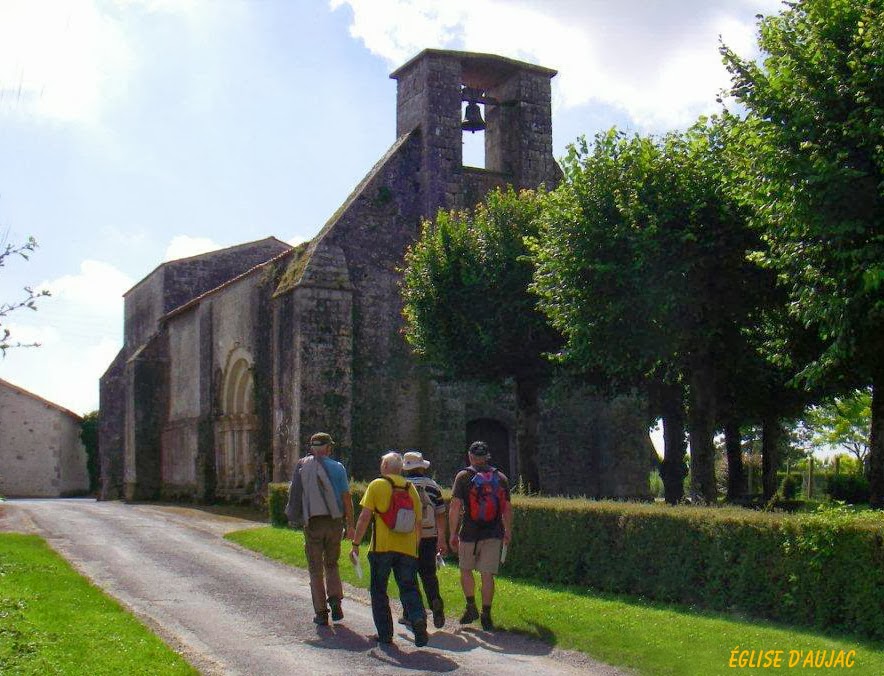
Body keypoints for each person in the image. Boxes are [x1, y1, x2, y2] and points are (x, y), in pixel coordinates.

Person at [351, 451, 429, 647]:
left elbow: (365, 517)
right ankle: (418, 618)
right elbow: (418, 523)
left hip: (382, 547)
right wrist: (416, 548)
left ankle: (385, 634)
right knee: (409, 587)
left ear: (385, 467)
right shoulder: (411, 489)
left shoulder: (377, 485)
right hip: (407, 549)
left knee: (379, 591)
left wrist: (355, 543)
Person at [285, 432, 355, 626]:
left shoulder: (302, 467)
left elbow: (295, 495)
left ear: (312, 448)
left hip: (313, 522)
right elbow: (346, 498)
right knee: (332, 563)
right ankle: (335, 600)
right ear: (328, 448)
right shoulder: (338, 467)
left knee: (315, 568)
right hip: (334, 521)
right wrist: (350, 525)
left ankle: (321, 612)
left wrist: (294, 517)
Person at [448, 440, 512, 631]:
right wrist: (508, 530)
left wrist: (452, 533)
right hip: (493, 533)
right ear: (487, 456)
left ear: (470, 457)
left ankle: (470, 607)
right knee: (487, 575)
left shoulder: (463, 477)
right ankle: (486, 614)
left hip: (469, 532)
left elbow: (455, 507)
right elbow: (507, 509)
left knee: (466, 570)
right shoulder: (500, 478)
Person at [400, 450, 448, 629]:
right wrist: (441, 538)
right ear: (422, 468)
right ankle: (435, 602)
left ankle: (411, 613)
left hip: (407, 537)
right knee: (429, 575)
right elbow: (441, 513)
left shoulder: (402, 485)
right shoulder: (432, 486)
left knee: (408, 577)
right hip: (429, 536)